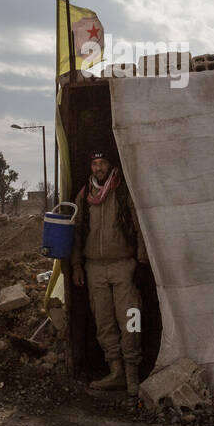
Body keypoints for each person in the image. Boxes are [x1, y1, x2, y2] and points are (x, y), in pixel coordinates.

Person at [71, 149, 146, 397]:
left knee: (131, 320)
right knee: (104, 322)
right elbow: (77, 232)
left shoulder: (123, 190)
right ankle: (116, 373)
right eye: (95, 164)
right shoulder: (85, 194)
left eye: (102, 163)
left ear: (110, 165)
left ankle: (133, 374)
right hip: (95, 268)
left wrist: (142, 264)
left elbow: (138, 226)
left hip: (123, 265)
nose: (98, 168)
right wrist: (77, 265)